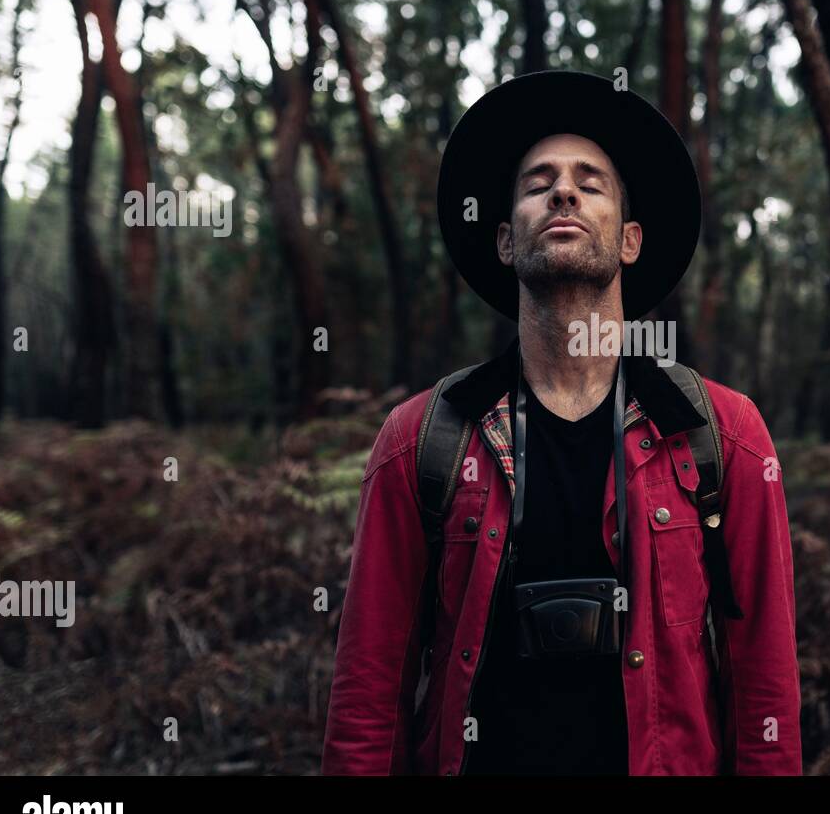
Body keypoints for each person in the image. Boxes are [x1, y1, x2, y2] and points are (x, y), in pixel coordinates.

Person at [321, 70, 801, 775]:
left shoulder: (720, 436)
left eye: (591, 181)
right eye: (537, 181)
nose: (563, 191)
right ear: (507, 241)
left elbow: (764, 680)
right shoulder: (425, 440)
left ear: (631, 240)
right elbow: (368, 689)